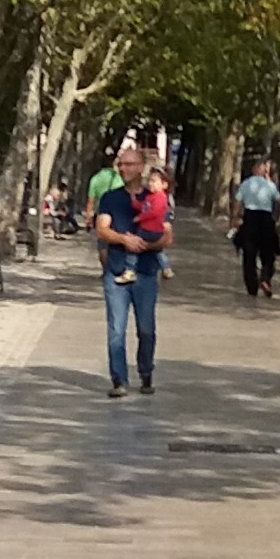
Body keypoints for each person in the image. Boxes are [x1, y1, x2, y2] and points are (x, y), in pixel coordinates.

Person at [91, 133, 172, 394]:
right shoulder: (111, 198)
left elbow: (167, 235)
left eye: (129, 164)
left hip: (146, 272)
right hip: (116, 272)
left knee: (146, 329)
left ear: (141, 168)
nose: (123, 169)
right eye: (121, 165)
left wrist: (146, 245)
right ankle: (119, 380)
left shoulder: (156, 197)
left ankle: (146, 372)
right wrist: (123, 240)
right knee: (116, 329)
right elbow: (101, 229)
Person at [232, 156, 280, 301]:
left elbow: (237, 201)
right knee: (268, 254)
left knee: (249, 255)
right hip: (266, 219)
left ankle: (252, 287)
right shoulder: (270, 185)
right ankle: (265, 278)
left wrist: (235, 218)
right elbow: (279, 200)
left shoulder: (246, 183)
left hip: (250, 219)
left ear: (254, 169)